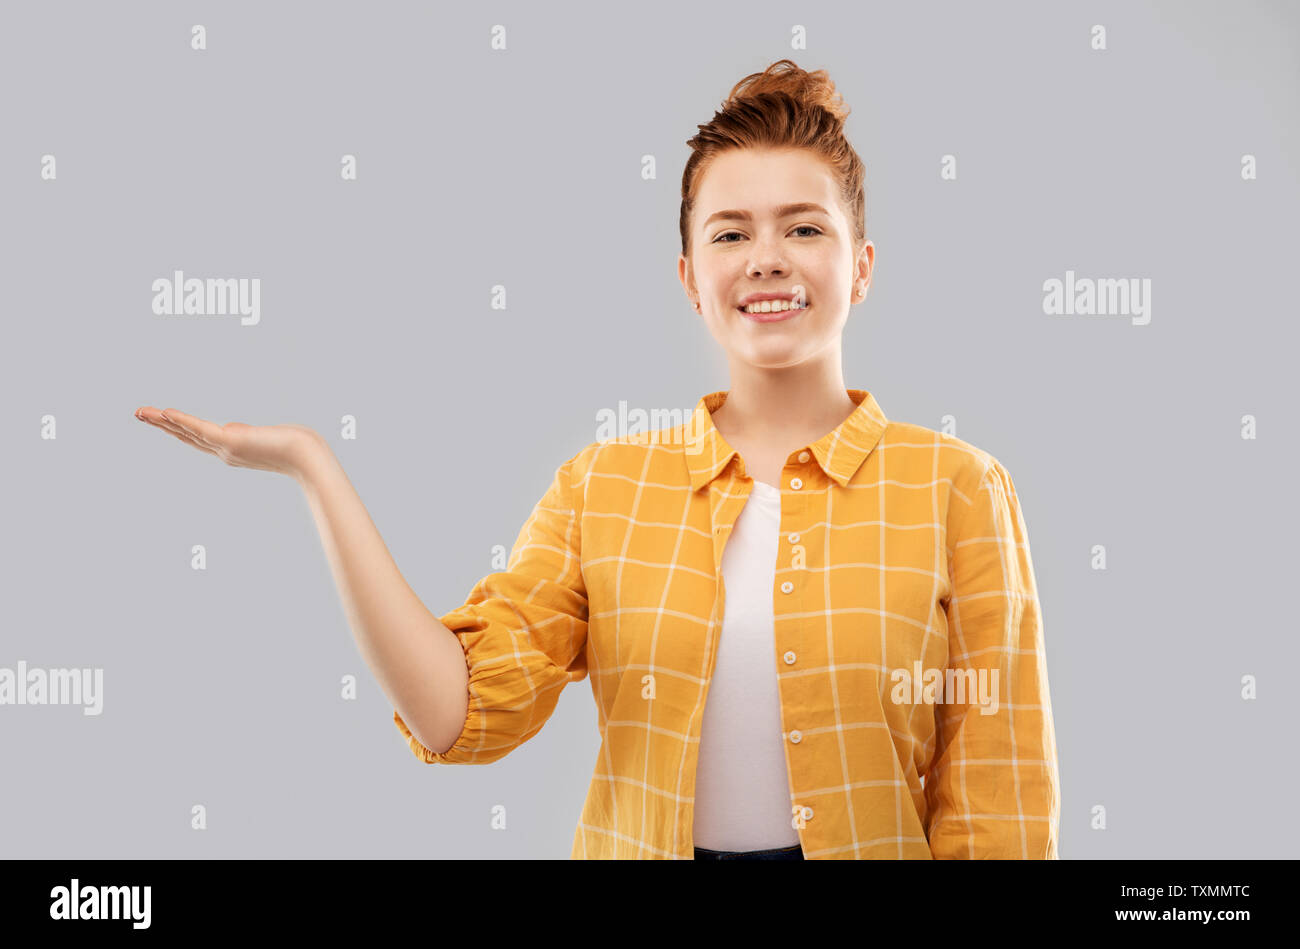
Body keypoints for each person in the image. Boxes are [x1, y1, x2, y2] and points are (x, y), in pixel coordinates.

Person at [134, 59, 1060, 860]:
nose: (767, 258)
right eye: (730, 232)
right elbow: (454, 713)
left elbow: (998, 808)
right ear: (691, 276)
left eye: (804, 228)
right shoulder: (603, 486)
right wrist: (312, 466)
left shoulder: (959, 488)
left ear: (860, 264)